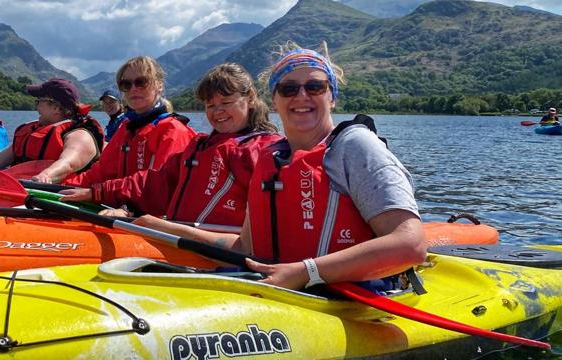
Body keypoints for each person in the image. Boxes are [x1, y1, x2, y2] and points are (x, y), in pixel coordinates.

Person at [163, 45, 425, 291]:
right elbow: (246, 246)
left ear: (331, 96)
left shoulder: (355, 147)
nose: (301, 96)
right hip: (281, 294)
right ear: (274, 99)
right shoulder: (270, 158)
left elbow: (410, 245)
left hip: (344, 300)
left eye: (315, 87)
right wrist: (170, 230)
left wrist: (306, 272)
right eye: (288, 89)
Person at [61, 64, 279, 226]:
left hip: (218, 260)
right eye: (210, 105)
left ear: (249, 98)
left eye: (226, 103)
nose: (217, 111)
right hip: (179, 245)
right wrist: (98, 193)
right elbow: (157, 182)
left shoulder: (263, 152)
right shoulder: (201, 146)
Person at [62, 56, 197, 188]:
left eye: (141, 82)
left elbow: (158, 187)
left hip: (143, 209)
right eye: (126, 84)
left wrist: (103, 195)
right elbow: (100, 173)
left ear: (159, 85)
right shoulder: (127, 128)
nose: (133, 88)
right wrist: (62, 187)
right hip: (122, 204)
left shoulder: (173, 131)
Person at [0, 78, 103, 183]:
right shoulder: (35, 130)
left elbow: (68, 163)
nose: (36, 106)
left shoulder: (80, 135)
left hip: (59, 203)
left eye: (39, 101)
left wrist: (45, 176)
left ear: (56, 108)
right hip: (26, 194)